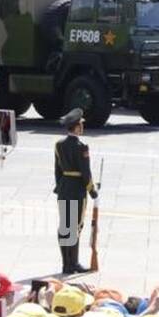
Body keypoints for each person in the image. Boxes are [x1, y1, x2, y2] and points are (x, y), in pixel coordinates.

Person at [54, 109, 97, 275]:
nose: (82, 126)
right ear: (77, 127)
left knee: (65, 226)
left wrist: (60, 187)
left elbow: (57, 170)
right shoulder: (81, 147)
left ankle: (67, 264)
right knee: (75, 227)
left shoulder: (59, 145)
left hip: (64, 188)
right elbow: (85, 172)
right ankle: (73, 263)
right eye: (81, 124)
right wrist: (92, 190)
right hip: (78, 189)